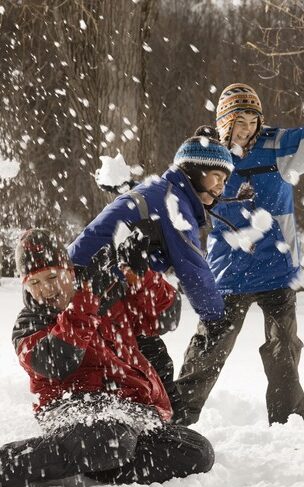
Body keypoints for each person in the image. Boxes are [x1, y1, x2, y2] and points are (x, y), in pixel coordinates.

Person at [175, 76, 304, 426]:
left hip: (276, 269)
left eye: (253, 122)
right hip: (229, 271)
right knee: (209, 350)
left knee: (284, 353)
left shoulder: (276, 147)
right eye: (240, 122)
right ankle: (175, 419)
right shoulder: (208, 154)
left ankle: (289, 425)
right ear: (224, 122)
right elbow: (174, 191)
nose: (247, 129)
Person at [4, 229, 213, 487]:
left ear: (70, 271)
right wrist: (86, 301)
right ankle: (9, 464)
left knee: (197, 452)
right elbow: (58, 363)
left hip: (130, 409)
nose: (45, 289)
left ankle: (100, 461)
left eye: (52, 277)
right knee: (109, 439)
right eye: (34, 283)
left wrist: (141, 276)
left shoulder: (108, 292)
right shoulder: (28, 324)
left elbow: (165, 319)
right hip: (72, 410)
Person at [68, 127, 236, 417]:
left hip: (97, 289)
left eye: (225, 179)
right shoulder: (174, 204)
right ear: (194, 172)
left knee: (145, 362)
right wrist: (216, 316)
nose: (222, 186)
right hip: (97, 290)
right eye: (216, 176)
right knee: (151, 368)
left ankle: (146, 423)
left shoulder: (164, 192)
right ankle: (160, 429)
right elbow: (193, 269)